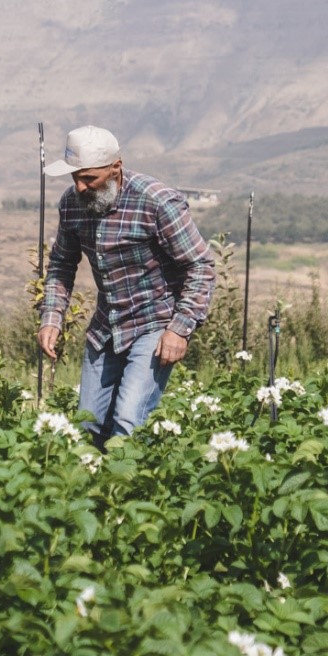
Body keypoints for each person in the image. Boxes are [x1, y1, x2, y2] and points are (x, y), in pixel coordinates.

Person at [38, 125, 215, 446]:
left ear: (116, 168)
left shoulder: (157, 202)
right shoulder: (72, 204)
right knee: (86, 426)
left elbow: (200, 265)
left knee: (129, 423)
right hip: (107, 326)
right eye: (74, 177)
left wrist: (180, 329)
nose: (79, 187)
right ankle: (92, 491)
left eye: (89, 178)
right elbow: (62, 265)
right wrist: (52, 317)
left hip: (155, 325)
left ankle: (133, 491)